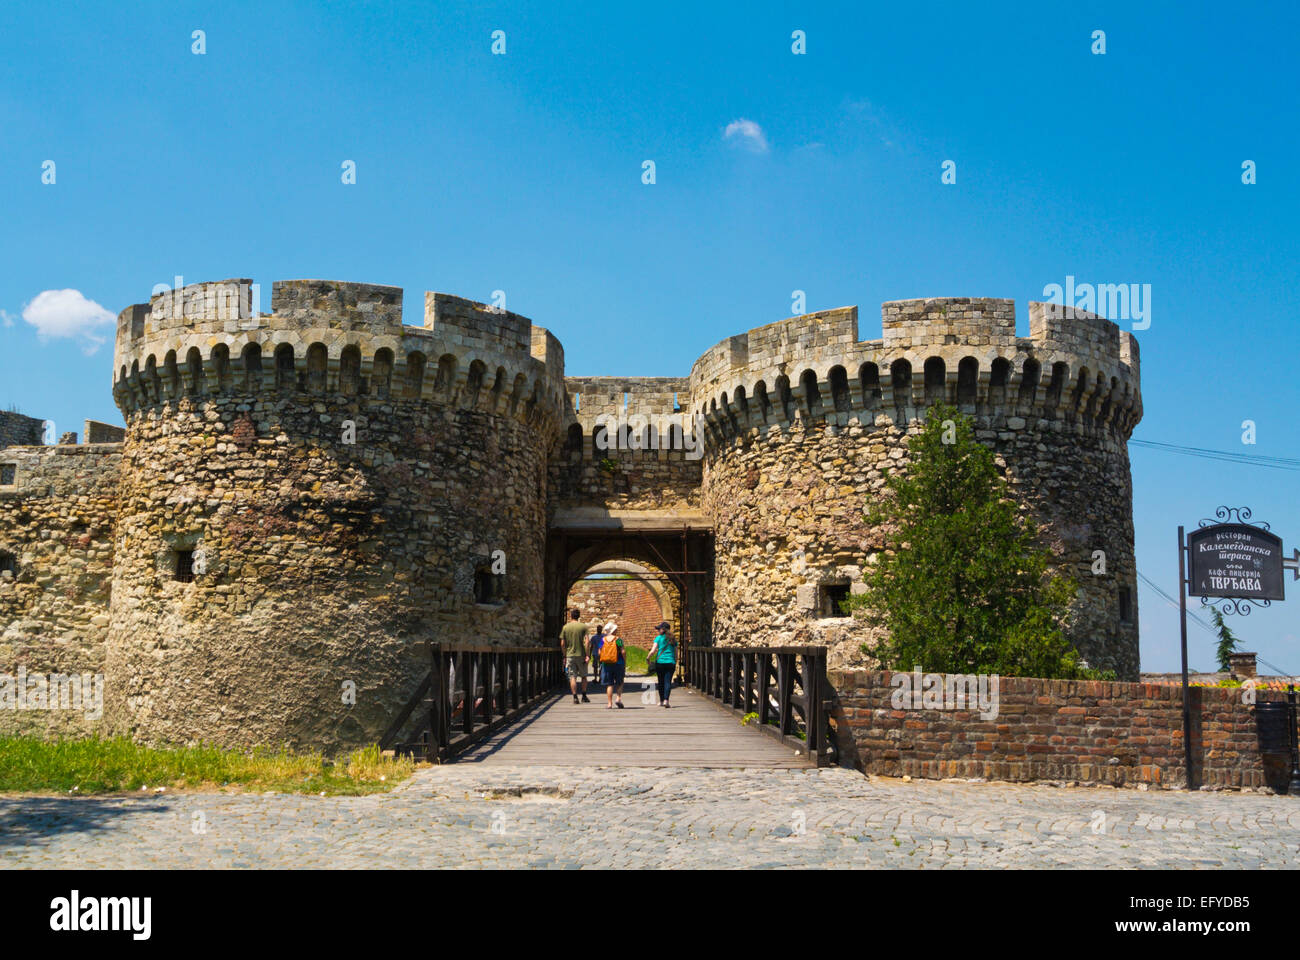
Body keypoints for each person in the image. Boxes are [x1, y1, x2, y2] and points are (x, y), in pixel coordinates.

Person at [559, 608, 591, 704]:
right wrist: (587, 654)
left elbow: (562, 643)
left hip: (570, 655)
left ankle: (575, 697)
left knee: (573, 677)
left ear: (570, 616)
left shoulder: (565, 627)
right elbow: (587, 641)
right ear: (579, 616)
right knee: (584, 676)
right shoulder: (583, 627)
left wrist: (565, 655)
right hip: (581, 654)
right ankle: (584, 695)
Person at [647, 621, 677, 708]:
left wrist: (648, 658)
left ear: (663, 629)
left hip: (660, 663)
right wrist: (675, 661)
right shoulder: (673, 639)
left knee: (661, 682)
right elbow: (676, 653)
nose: (658, 630)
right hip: (670, 663)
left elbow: (653, 651)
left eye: (659, 629)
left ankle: (661, 701)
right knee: (668, 682)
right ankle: (666, 701)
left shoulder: (658, 638)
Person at [598, 621, 626, 709]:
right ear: (613, 630)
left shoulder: (603, 640)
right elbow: (623, 651)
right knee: (620, 682)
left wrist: (605, 657)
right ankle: (618, 698)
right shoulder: (618, 640)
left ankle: (609, 704)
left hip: (606, 664)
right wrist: (625, 661)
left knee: (609, 684)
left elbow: (599, 652)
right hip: (618, 663)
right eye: (616, 629)